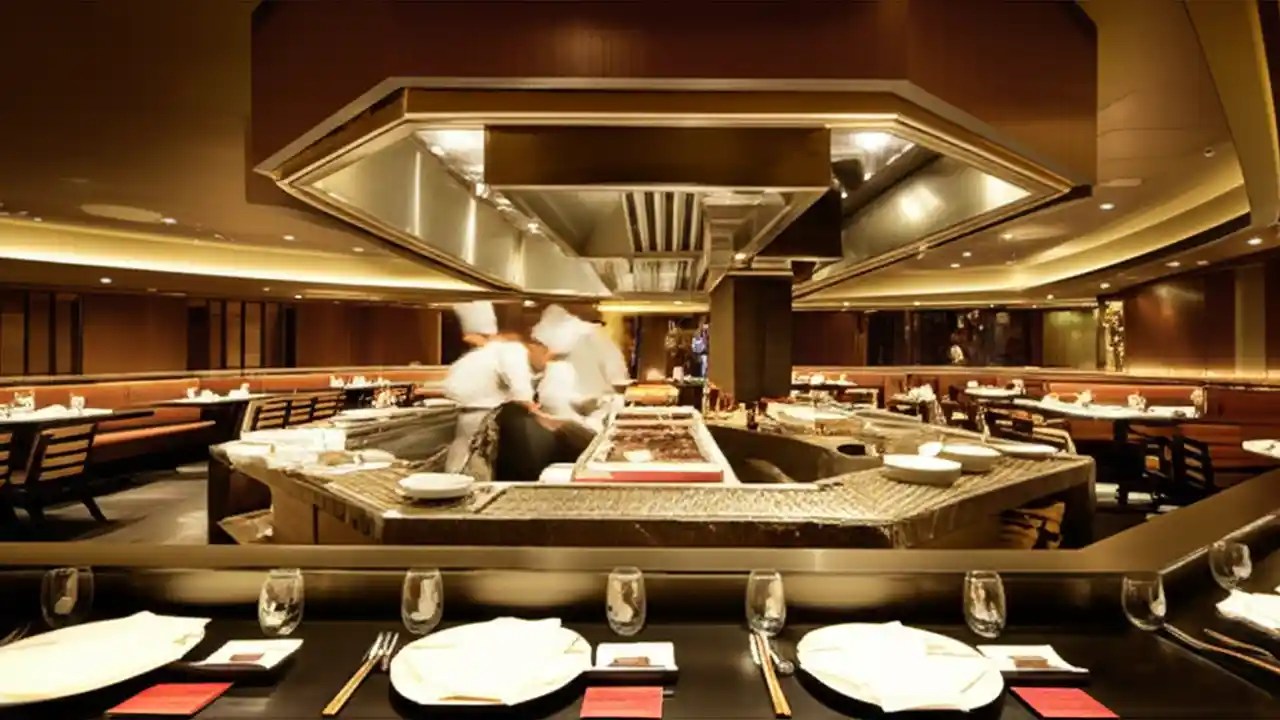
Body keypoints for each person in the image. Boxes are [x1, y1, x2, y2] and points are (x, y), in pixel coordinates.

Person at [441, 301, 536, 474]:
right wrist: (531, 406)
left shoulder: (501, 351)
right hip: (480, 419)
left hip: (479, 419)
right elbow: (521, 391)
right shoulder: (498, 352)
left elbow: (520, 386)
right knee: (471, 466)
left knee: (465, 465)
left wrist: (527, 402)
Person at [532, 305, 630, 429]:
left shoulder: (591, 338)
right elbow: (617, 375)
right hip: (587, 413)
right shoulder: (597, 338)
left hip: (568, 413)